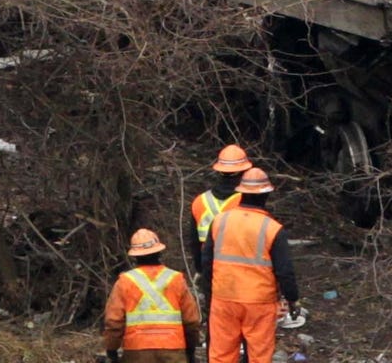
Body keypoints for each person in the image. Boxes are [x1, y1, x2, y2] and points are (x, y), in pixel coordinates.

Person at [200, 166, 299, 363]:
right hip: (259, 303)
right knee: (259, 356)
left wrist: (209, 294)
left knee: (221, 355)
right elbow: (284, 271)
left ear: (241, 193)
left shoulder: (220, 221)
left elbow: (207, 262)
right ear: (266, 195)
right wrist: (292, 299)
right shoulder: (273, 229)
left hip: (224, 298)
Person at [102, 229, 195, 363]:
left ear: (135, 256)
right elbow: (191, 320)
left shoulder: (125, 282)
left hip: (137, 351)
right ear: (159, 252)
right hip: (173, 349)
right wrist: (190, 350)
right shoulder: (176, 279)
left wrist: (112, 350)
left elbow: (114, 322)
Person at [187, 144, 248, 255]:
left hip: (208, 266)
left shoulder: (200, 201)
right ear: (244, 171)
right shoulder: (248, 201)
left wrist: (201, 269)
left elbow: (194, 242)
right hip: (238, 266)